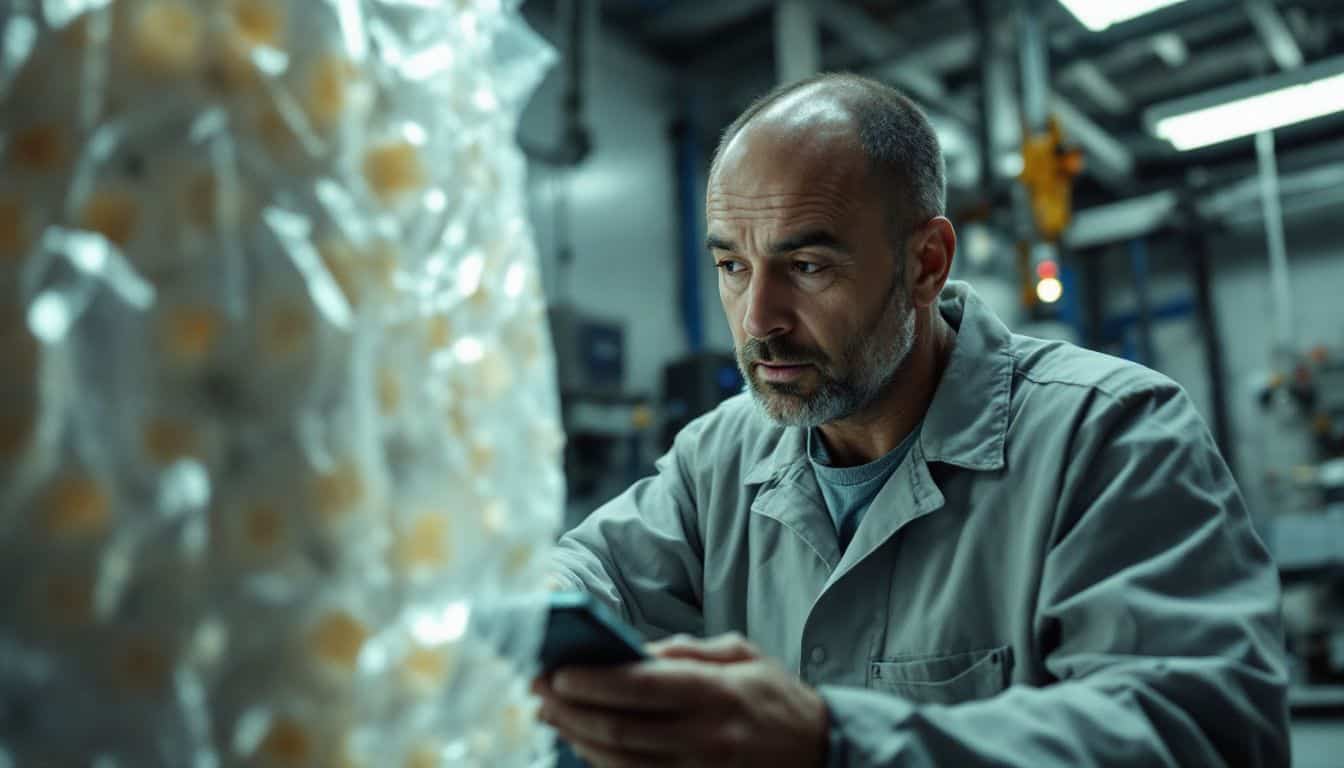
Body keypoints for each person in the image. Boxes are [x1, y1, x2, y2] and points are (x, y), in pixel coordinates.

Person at [532, 72, 1289, 767]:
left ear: (926, 263)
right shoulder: (719, 456)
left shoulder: (1112, 436)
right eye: (732, 266)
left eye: (808, 266)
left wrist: (833, 745)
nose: (758, 319)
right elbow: (582, 582)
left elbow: (1201, 733)